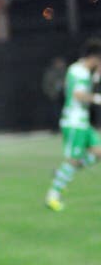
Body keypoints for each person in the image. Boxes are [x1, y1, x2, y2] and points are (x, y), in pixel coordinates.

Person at [45, 38, 101, 211]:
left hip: (82, 121)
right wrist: (98, 98)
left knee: (99, 152)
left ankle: (64, 172)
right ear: (94, 57)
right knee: (73, 159)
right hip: (74, 122)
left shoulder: (81, 70)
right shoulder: (79, 72)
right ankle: (52, 196)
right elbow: (78, 95)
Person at [41, 56, 66, 132]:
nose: (61, 64)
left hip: (64, 96)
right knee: (55, 113)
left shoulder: (66, 72)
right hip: (54, 96)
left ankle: (64, 128)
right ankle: (55, 128)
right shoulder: (50, 73)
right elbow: (46, 85)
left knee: (64, 112)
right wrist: (51, 93)